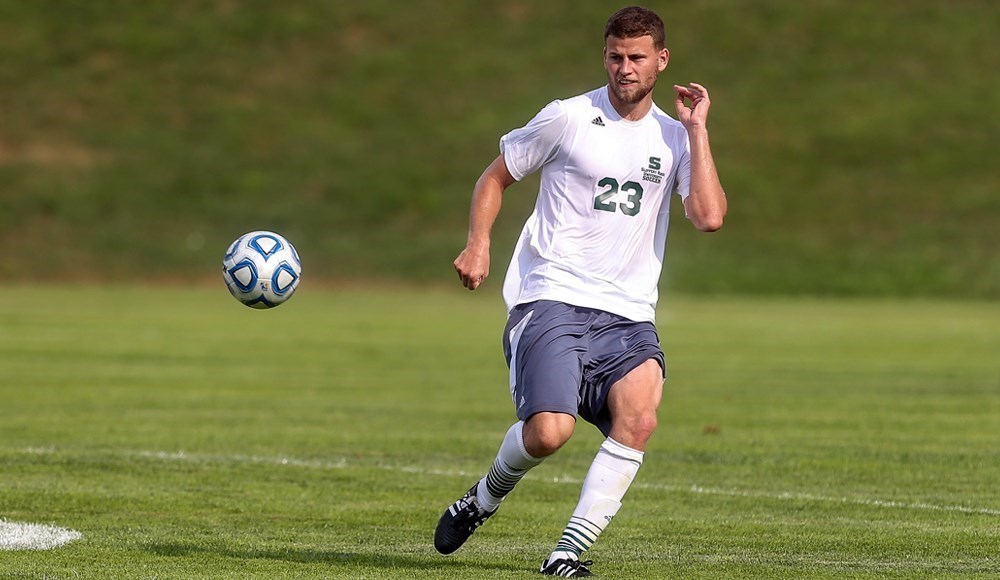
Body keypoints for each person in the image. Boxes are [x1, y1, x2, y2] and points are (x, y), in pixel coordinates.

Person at [434, 5, 727, 577]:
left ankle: (566, 555)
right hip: (552, 296)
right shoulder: (566, 117)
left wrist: (697, 130)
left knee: (639, 419)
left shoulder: (673, 137)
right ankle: (485, 497)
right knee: (549, 433)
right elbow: (494, 177)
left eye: (638, 57)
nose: (625, 68)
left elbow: (708, 216)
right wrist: (478, 244)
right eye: (616, 56)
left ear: (661, 61)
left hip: (627, 313)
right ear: (605, 56)